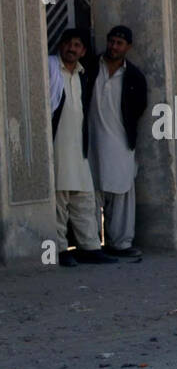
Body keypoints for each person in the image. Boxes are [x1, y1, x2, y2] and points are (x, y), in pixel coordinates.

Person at [49, 28, 116, 266]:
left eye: (77, 45)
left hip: (78, 147)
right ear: (61, 46)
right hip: (56, 147)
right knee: (58, 201)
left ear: (83, 51)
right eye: (68, 44)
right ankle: (59, 250)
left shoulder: (82, 75)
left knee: (84, 200)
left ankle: (90, 247)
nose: (72, 48)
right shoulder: (50, 69)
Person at [87, 25, 148, 258]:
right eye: (111, 41)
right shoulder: (92, 67)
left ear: (128, 47)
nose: (114, 46)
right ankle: (90, 244)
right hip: (91, 143)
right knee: (90, 194)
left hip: (121, 142)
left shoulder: (134, 76)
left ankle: (120, 243)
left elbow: (139, 108)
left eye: (119, 43)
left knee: (122, 192)